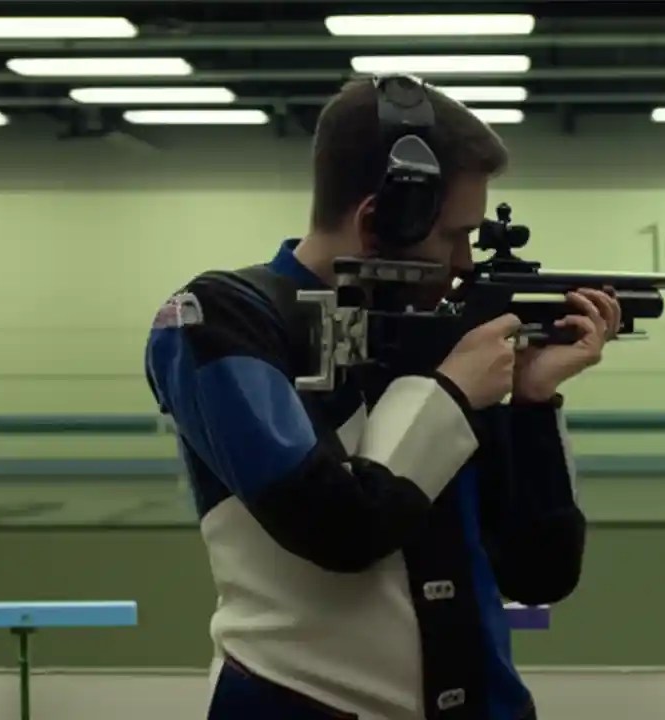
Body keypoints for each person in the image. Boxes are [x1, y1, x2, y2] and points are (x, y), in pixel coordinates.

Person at [143, 75, 621, 720]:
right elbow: (341, 527)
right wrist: (450, 393)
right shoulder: (221, 318)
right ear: (378, 220)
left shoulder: (431, 335)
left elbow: (539, 575)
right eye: (454, 235)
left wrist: (532, 403)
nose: (465, 263)